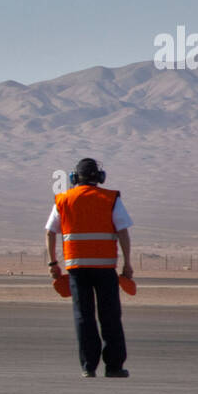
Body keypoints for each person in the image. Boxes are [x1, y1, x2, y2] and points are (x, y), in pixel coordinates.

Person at [45, 158, 133, 377]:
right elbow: (123, 231)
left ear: (74, 177)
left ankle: (88, 366)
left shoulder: (63, 200)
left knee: (83, 316)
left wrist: (53, 263)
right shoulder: (110, 199)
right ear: (99, 177)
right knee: (110, 316)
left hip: (76, 268)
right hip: (105, 268)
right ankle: (114, 367)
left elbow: (50, 231)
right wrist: (128, 263)